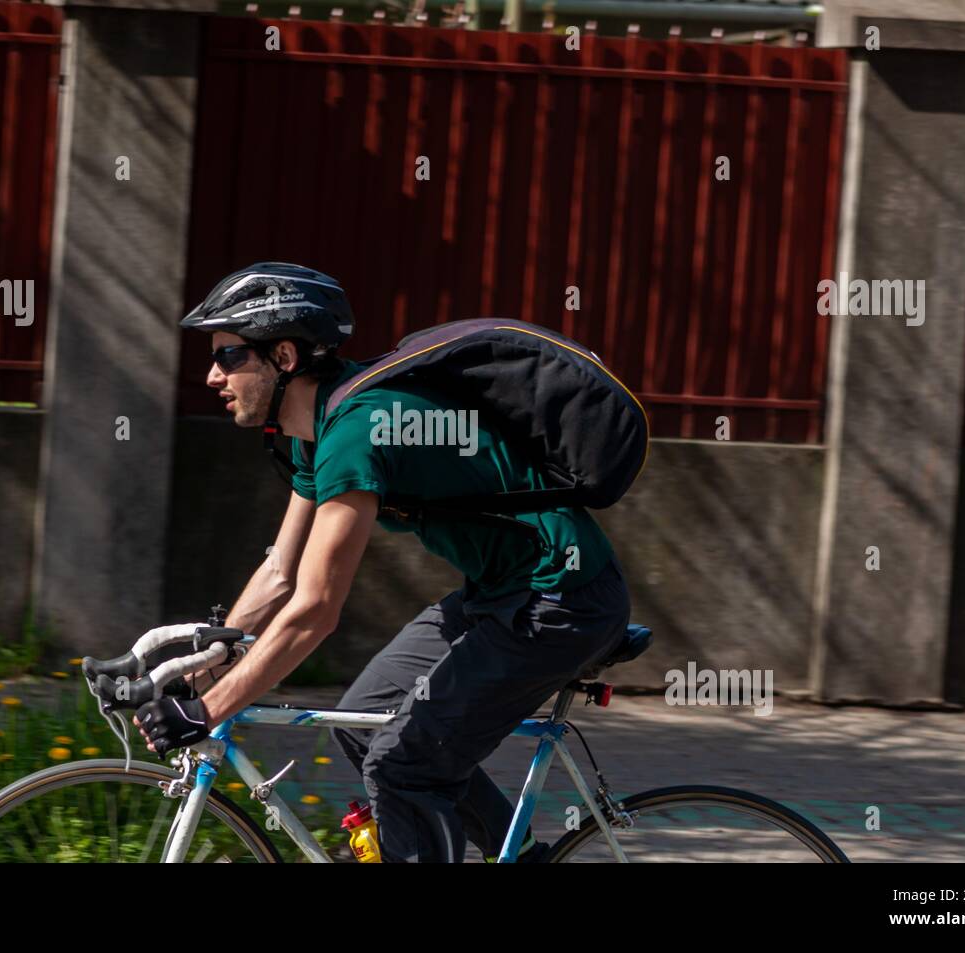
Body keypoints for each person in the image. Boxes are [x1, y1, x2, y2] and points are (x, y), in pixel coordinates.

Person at [134, 262, 631, 862]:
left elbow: (315, 608)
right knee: (362, 719)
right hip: (502, 590)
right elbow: (280, 575)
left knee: (405, 766)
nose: (213, 375)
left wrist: (210, 709)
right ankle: (522, 856)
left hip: (563, 600)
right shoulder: (308, 431)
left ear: (284, 356)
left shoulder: (359, 430)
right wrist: (206, 668)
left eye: (230, 357)